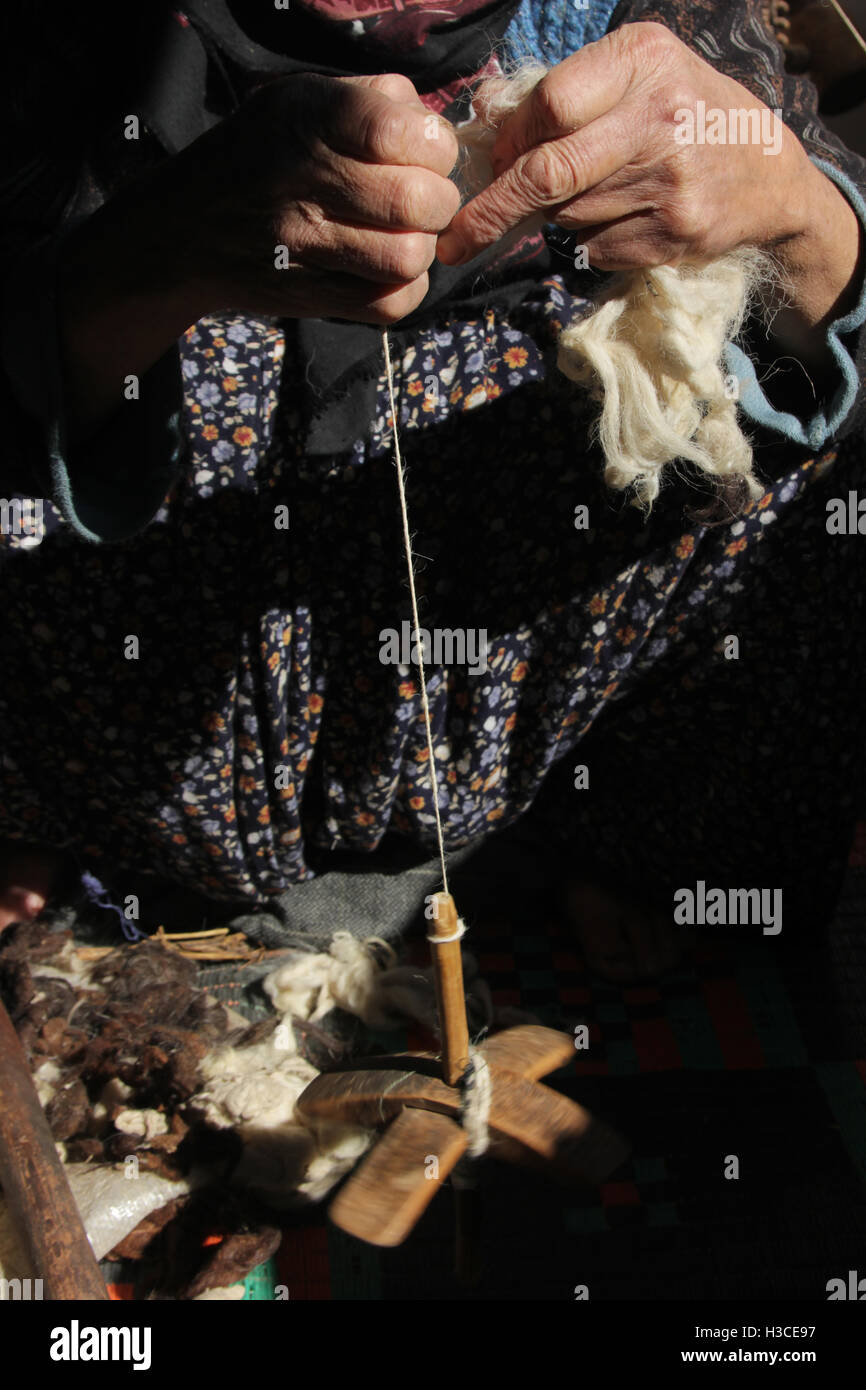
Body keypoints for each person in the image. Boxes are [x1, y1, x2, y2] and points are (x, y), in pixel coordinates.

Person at [1, 0, 866, 979]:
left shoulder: (647, 21)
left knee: (804, 450)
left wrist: (802, 216)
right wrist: (154, 256)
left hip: (492, 676)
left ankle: (644, 844)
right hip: (126, 689)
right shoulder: (70, 49)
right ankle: (57, 810)